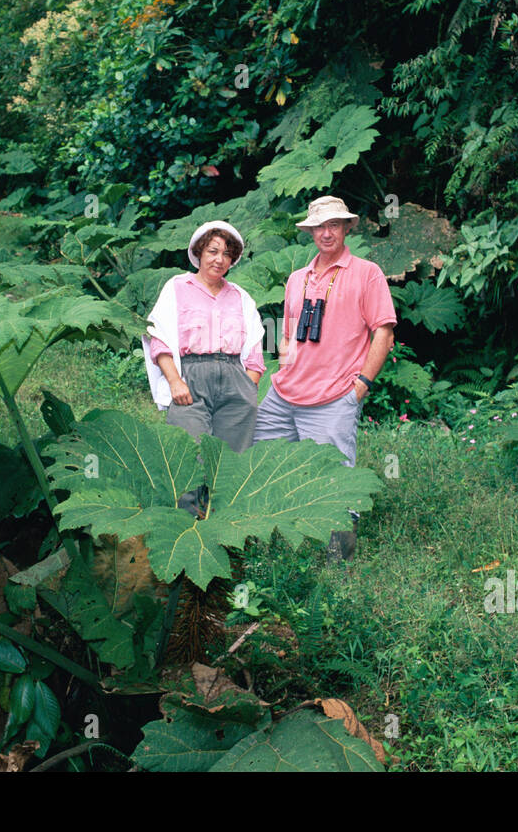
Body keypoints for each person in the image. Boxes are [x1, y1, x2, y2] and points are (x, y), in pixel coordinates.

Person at [253, 195, 397, 560]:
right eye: (319, 226)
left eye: (334, 224)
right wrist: (284, 369)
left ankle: (339, 564)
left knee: (336, 481)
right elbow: (286, 333)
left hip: (334, 396)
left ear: (347, 227)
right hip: (284, 393)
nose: (326, 232)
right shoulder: (297, 278)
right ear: (310, 231)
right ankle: (275, 547)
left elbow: (383, 332)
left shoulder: (366, 273)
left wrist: (362, 384)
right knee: (265, 463)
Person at [142, 220, 266, 457]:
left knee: (230, 462)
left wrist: (248, 387)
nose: (219, 259)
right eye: (213, 251)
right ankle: (191, 497)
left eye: (227, 254)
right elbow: (159, 338)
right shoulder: (177, 287)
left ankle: (223, 496)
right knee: (190, 456)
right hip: (191, 378)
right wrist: (175, 381)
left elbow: (255, 349)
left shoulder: (241, 297)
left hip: (235, 380)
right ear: (199, 252)